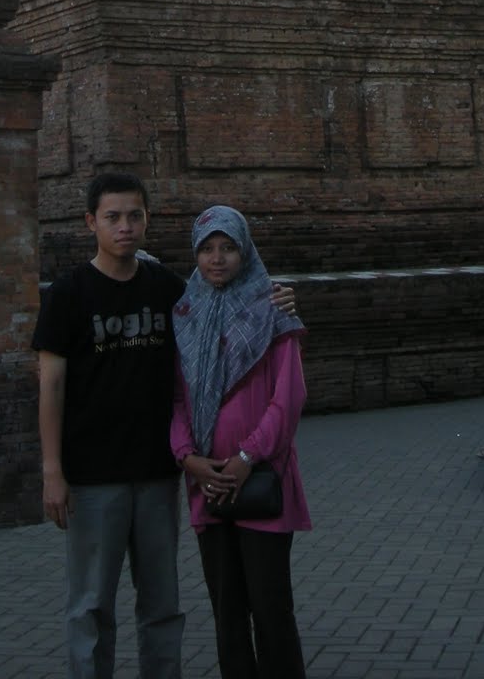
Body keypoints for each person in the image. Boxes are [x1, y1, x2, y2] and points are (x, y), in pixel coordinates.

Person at [32, 174, 294, 679]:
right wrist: (51, 470)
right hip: (92, 476)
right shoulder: (69, 294)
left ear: (147, 220)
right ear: (91, 223)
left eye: (135, 216)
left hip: (158, 474)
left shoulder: (169, 290)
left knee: (162, 604)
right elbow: (52, 387)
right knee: (90, 605)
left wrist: (280, 303)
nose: (124, 227)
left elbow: (227, 304)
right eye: (112, 217)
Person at [171, 205, 310, 679]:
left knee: (271, 610)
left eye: (227, 247)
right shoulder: (185, 315)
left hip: (260, 479)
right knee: (228, 613)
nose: (216, 258)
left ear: (244, 250)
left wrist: (247, 457)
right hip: (208, 485)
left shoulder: (272, 311)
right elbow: (176, 401)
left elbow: (287, 399)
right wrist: (189, 458)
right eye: (207, 249)